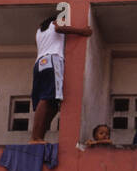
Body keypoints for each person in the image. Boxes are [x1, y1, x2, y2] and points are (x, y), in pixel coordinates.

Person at [31, 11, 92, 143]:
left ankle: (39, 137)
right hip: (52, 60)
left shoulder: (40, 31)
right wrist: (82, 31)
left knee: (52, 103)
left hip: (40, 63)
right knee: (47, 98)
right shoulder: (56, 23)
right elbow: (60, 28)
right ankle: (35, 137)